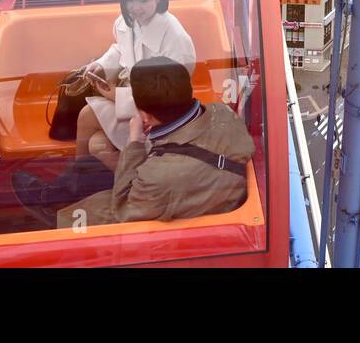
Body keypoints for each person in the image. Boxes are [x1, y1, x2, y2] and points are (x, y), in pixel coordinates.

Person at [58, 56, 255, 228]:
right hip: (190, 188)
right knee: (83, 168)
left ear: (146, 117)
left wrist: (134, 141)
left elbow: (122, 209)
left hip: (117, 216)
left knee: (58, 203)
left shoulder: (158, 177)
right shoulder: (223, 114)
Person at [76, 0, 196, 171]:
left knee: (87, 117)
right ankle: (90, 181)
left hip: (162, 119)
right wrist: (101, 65)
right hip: (136, 103)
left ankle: (78, 181)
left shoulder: (175, 37)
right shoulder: (125, 22)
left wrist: (115, 95)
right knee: (97, 145)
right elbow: (120, 49)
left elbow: (171, 99)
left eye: (143, 0)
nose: (135, 7)